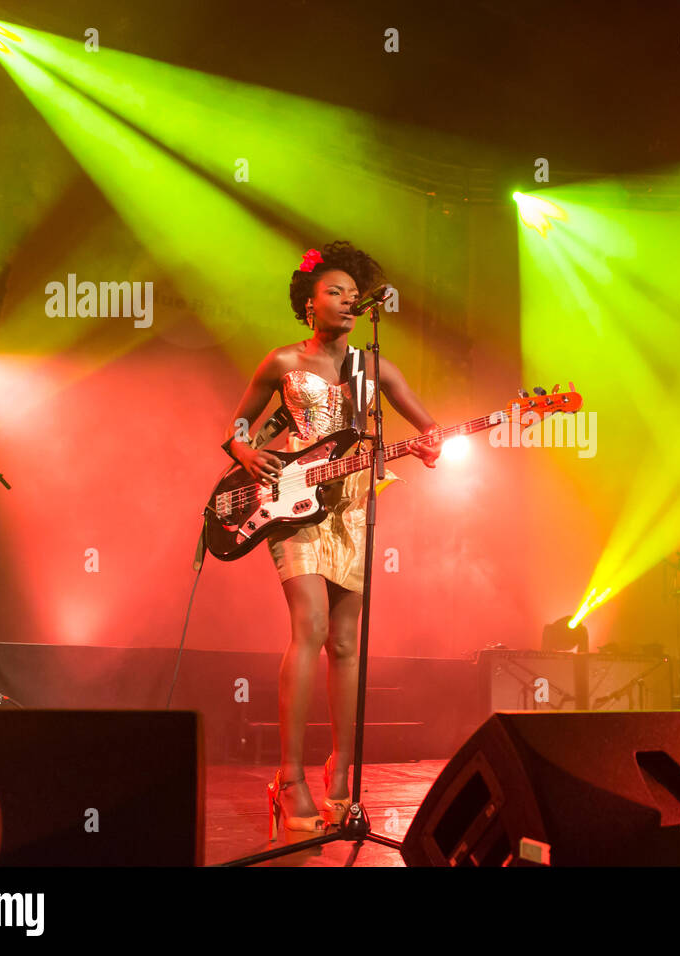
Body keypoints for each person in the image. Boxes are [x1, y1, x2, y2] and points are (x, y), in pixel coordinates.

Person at [224, 242, 441, 834]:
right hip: (293, 503)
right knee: (311, 628)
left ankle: (339, 773)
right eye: (335, 292)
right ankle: (287, 777)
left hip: (351, 510)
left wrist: (432, 442)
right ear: (309, 303)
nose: (348, 301)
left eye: (353, 293)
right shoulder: (282, 361)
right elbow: (239, 425)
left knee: (346, 645)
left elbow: (429, 428)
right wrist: (244, 448)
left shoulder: (376, 369)